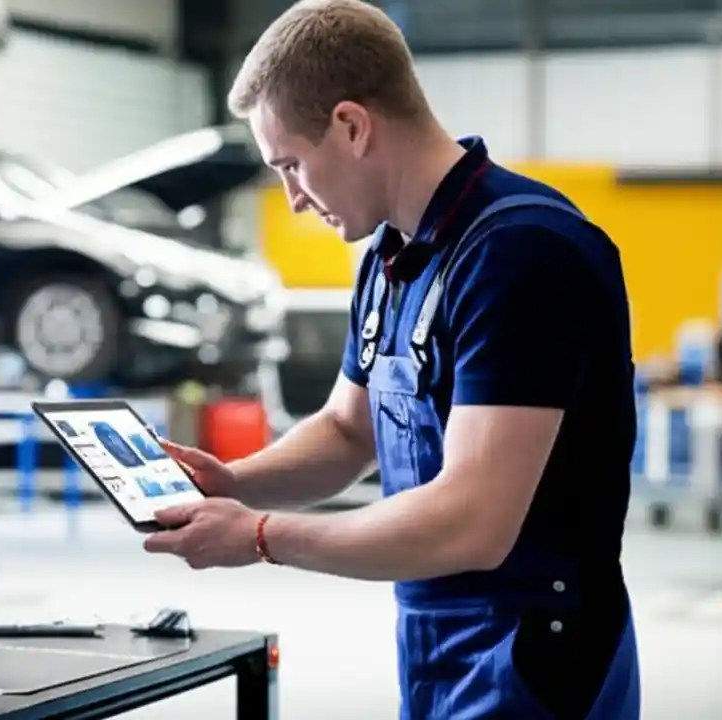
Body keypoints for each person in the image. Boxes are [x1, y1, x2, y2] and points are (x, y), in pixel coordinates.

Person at [142, 1, 640, 718]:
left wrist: (259, 537)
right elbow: (348, 431)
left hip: (538, 660)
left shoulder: (523, 256)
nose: (294, 200)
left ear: (351, 125)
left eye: (292, 166)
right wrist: (234, 481)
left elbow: (472, 519)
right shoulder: (394, 256)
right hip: (440, 646)